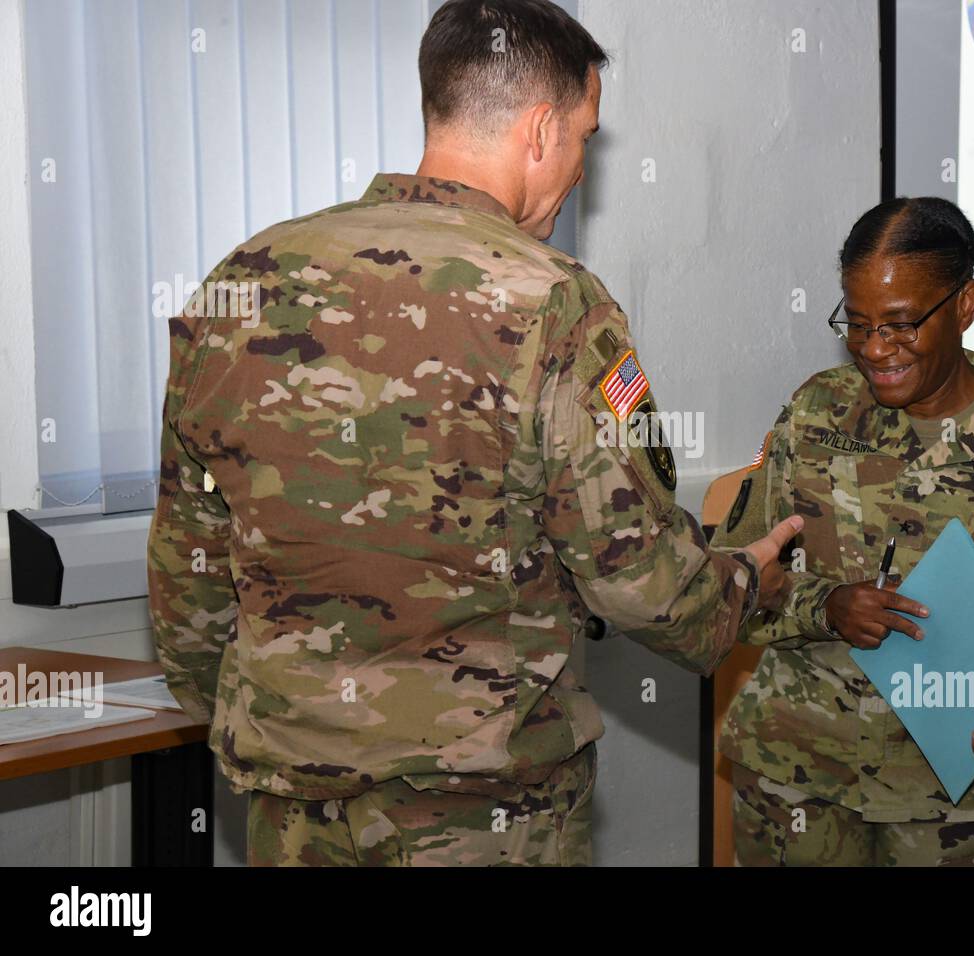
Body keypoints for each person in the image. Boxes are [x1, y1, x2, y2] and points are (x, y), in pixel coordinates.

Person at [146, 0, 799, 867]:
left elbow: (187, 575)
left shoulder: (243, 280)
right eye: (584, 137)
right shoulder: (554, 303)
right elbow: (638, 583)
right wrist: (744, 586)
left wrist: (257, 718)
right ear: (539, 132)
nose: (579, 169)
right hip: (486, 814)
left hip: (291, 804)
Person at [712, 197, 974, 866]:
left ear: (964, 305)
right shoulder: (815, 415)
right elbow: (732, 574)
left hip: (969, 809)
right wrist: (825, 607)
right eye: (858, 323)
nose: (876, 349)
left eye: (902, 325)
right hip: (800, 780)